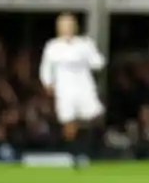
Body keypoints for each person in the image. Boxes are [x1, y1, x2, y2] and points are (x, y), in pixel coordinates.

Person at [38, 12, 106, 168]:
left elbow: (98, 62)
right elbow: (46, 67)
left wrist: (91, 59)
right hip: (64, 89)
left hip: (84, 86)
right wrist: (48, 83)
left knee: (95, 117)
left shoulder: (85, 44)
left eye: (69, 25)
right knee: (68, 123)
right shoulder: (53, 46)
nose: (67, 28)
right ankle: (73, 155)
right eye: (64, 26)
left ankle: (91, 151)